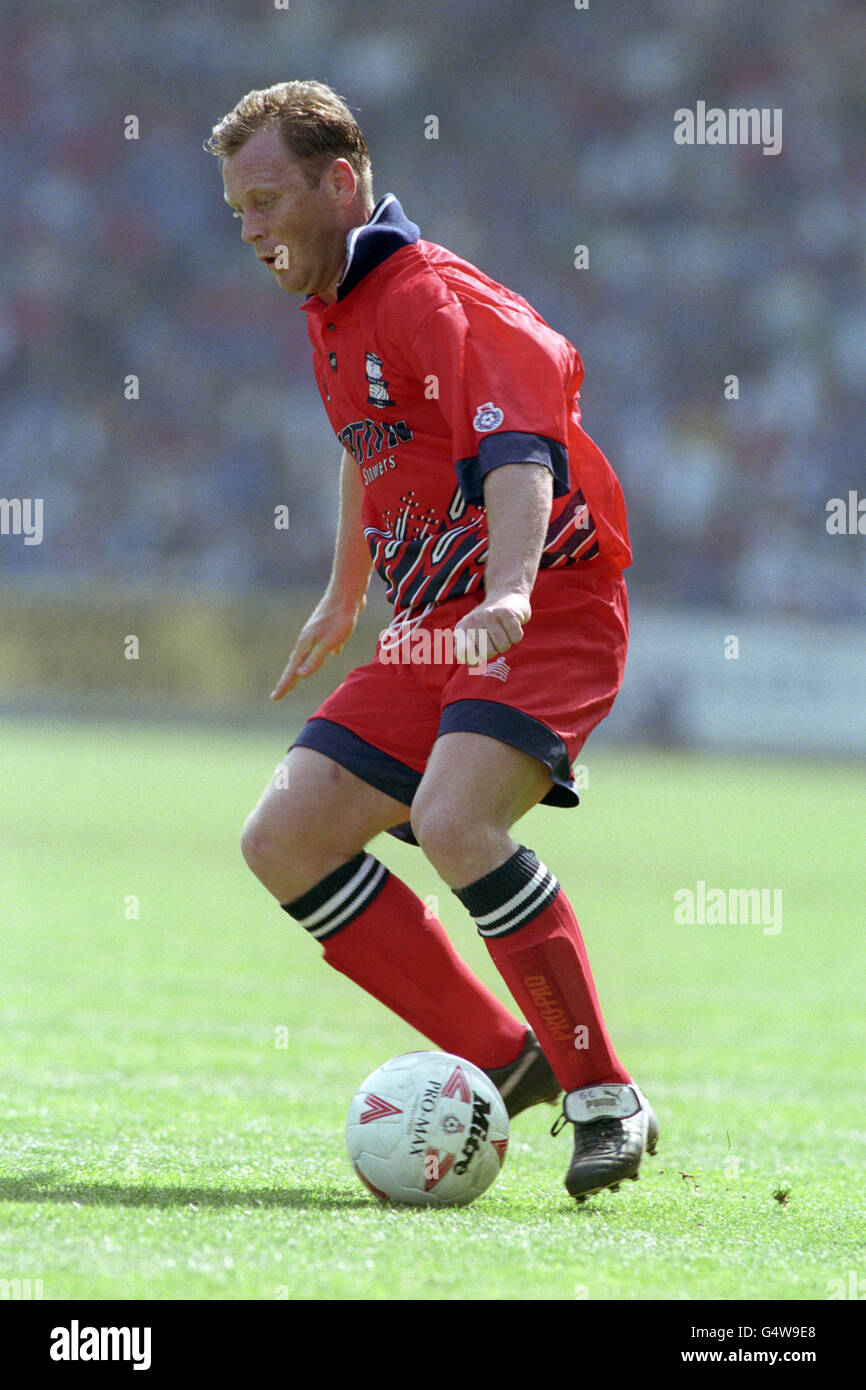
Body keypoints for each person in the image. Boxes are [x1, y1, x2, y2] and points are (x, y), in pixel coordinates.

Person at [207, 80, 658, 1201]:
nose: (252, 228)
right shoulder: (332, 306)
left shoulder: (436, 296)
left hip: (545, 608)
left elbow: (520, 455)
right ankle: (507, 1057)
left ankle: (605, 1095)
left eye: (266, 199)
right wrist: (340, 591)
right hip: (433, 628)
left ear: (340, 182)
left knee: (455, 819)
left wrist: (505, 590)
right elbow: (371, 443)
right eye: (236, 211)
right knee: (284, 838)